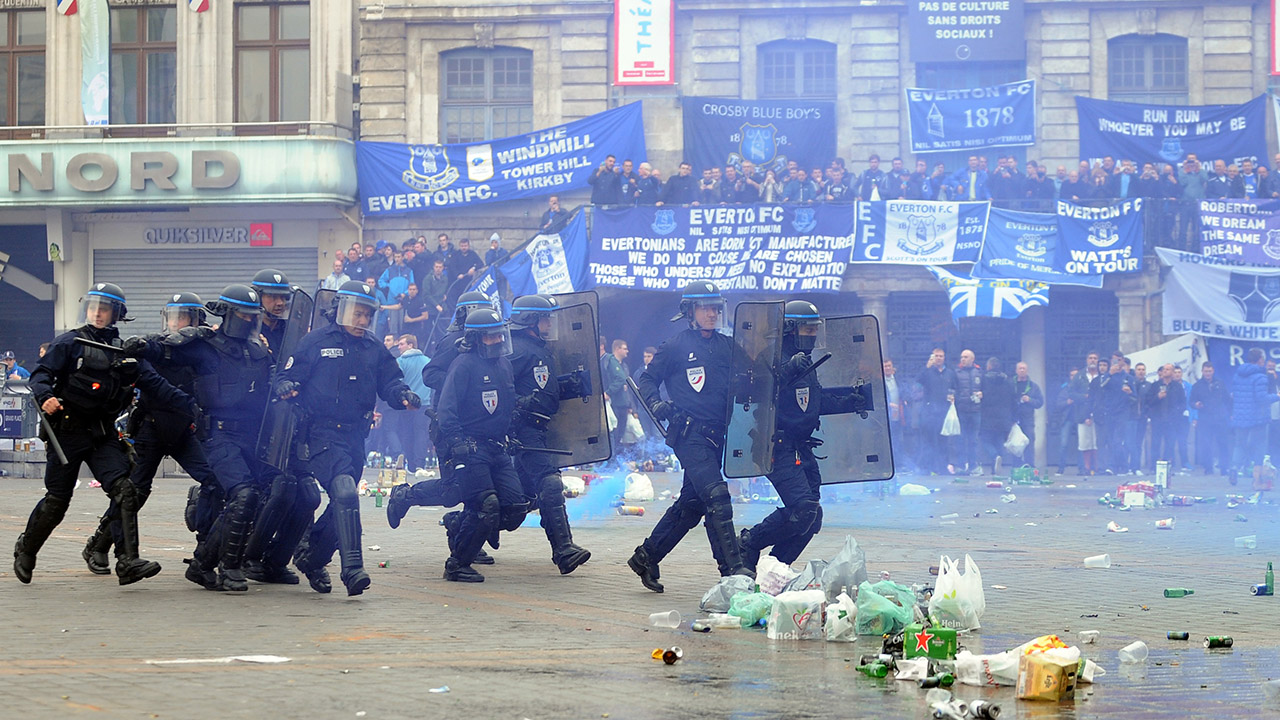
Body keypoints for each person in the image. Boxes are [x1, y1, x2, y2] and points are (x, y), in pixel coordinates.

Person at [14, 283, 176, 586]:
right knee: (57, 501)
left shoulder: (123, 350)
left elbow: (148, 382)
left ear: (116, 314)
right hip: (67, 432)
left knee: (125, 491)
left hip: (101, 434)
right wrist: (46, 395)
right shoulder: (69, 343)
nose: (97, 313)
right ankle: (26, 548)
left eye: (104, 308)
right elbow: (40, 376)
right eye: (93, 307)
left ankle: (127, 562)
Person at [127, 284, 277, 591]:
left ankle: (202, 564)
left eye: (253, 316)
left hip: (251, 435)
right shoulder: (206, 344)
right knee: (243, 494)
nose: (249, 321)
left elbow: (270, 389)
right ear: (228, 314)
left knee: (253, 497)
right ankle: (229, 567)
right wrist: (142, 346)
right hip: (217, 433)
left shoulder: (258, 351)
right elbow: (167, 350)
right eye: (243, 315)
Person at [281, 282, 418, 595]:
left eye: (368, 314)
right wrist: (285, 387)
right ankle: (353, 569)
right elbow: (289, 375)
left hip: (356, 435)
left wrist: (403, 395)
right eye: (357, 312)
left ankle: (313, 558)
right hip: (320, 433)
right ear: (341, 310)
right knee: (344, 491)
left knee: (345, 500)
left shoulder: (373, 348)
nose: (362, 320)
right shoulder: (315, 342)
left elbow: (391, 382)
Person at [80, 293, 221, 577]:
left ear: (196, 320)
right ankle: (98, 544)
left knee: (214, 480)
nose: (177, 323)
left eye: (183, 317)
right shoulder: (155, 346)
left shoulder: (204, 349)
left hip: (184, 430)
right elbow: (152, 375)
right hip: (151, 427)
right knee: (134, 492)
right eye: (173, 316)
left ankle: (205, 546)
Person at [628, 281, 754, 593]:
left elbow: (755, 376)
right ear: (690, 311)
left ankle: (647, 557)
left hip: (717, 436)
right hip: (689, 434)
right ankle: (733, 572)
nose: (712, 313)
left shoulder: (727, 346)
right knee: (717, 498)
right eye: (705, 307)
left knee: (692, 504)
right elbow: (647, 379)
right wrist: (657, 405)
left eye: (716, 307)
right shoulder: (675, 346)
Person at [739, 301, 866, 567]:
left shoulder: (804, 360)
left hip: (802, 446)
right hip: (775, 445)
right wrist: (789, 369)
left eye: (814, 329)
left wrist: (849, 401)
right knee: (803, 509)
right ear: (789, 328)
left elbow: (811, 402)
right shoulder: (770, 355)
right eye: (807, 328)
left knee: (811, 517)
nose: (812, 334)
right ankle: (749, 543)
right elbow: (758, 392)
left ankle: (774, 569)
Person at [434, 308, 527, 582]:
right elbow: (446, 409)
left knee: (515, 507)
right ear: (476, 339)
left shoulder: (504, 365)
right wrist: (457, 442)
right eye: (490, 336)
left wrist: (512, 430)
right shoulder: (463, 365)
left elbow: (506, 405)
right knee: (486, 505)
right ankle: (457, 564)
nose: (497, 340)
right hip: (471, 447)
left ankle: (459, 524)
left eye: (500, 334)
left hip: (497, 447)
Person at [507, 295, 591, 574]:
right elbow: (498, 387)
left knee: (517, 502)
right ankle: (564, 549)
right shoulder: (517, 350)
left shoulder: (538, 349)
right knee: (550, 483)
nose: (549, 323)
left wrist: (570, 385)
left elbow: (543, 387)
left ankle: (461, 527)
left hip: (541, 429)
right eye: (545, 317)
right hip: (524, 429)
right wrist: (518, 404)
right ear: (531, 320)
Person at [1228, 348, 1277, 485]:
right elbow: (1261, 398)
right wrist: (1276, 396)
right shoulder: (1261, 377)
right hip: (1258, 417)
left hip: (1240, 415)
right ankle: (1257, 479)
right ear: (1260, 360)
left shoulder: (1238, 375)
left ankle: (1234, 467)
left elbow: (1235, 396)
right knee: (1260, 446)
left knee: (1239, 444)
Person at [394, 334, 432, 472]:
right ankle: (420, 464)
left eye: (401, 344)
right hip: (425, 403)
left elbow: (396, 381)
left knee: (406, 433)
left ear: (411, 345)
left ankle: (410, 464)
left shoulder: (400, 362)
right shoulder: (428, 361)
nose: (398, 347)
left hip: (407, 404)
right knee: (421, 433)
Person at [917, 348, 957, 474]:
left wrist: (953, 396)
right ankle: (926, 467)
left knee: (943, 441)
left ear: (944, 358)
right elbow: (918, 381)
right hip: (929, 411)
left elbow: (956, 388)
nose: (939, 358)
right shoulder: (927, 372)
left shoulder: (950, 373)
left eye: (941, 356)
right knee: (928, 441)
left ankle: (942, 467)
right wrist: (926, 367)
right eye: (936, 356)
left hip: (944, 411)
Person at [1190, 361, 1231, 476]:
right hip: (1205, 419)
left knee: (1223, 443)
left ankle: (1224, 468)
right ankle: (1208, 468)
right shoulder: (1197, 385)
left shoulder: (1220, 383)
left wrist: (1231, 413)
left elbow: (1227, 399)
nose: (1208, 373)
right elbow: (1191, 401)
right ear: (1202, 372)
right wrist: (1196, 404)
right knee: (1206, 444)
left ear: (1213, 371)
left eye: (1209, 371)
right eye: (1205, 371)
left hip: (1220, 418)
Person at [977, 357, 1014, 474]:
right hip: (1003, 417)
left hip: (988, 416)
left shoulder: (984, 379)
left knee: (985, 440)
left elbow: (981, 397)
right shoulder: (1007, 380)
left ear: (988, 367)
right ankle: (996, 466)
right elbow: (1013, 399)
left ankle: (994, 456)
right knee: (998, 440)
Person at [251, 269, 294, 355]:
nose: (280, 303)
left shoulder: (290, 330)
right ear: (258, 297)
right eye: (272, 296)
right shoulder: (250, 330)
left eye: (283, 297)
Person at [953, 349, 982, 475]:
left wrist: (982, 394)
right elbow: (952, 388)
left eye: (965, 357)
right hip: (962, 411)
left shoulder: (979, 373)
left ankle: (973, 465)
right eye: (961, 357)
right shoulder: (956, 373)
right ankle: (960, 465)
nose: (963, 359)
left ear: (972, 359)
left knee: (973, 440)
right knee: (961, 439)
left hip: (975, 411)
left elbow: (985, 388)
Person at [602, 338, 632, 457]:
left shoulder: (624, 366)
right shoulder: (610, 361)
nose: (627, 351)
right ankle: (612, 459)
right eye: (624, 348)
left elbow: (626, 384)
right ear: (617, 349)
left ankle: (616, 459)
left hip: (623, 404)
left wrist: (630, 405)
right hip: (615, 404)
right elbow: (619, 379)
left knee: (620, 434)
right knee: (614, 433)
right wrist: (609, 392)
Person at [1012, 361, 1044, 466]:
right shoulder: (1011, 384)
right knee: (1015, 443)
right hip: (1013, 418)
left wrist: (1029, 400)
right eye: (1020, 368)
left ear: (1027, 371)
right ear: (1016, 371)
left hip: (1028, 419)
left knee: (1029, 443)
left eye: (1024, 368)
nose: (1022, 370)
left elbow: (1040, 402)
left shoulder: (1033, 386)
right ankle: (1016, 466)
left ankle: (1030, 466)